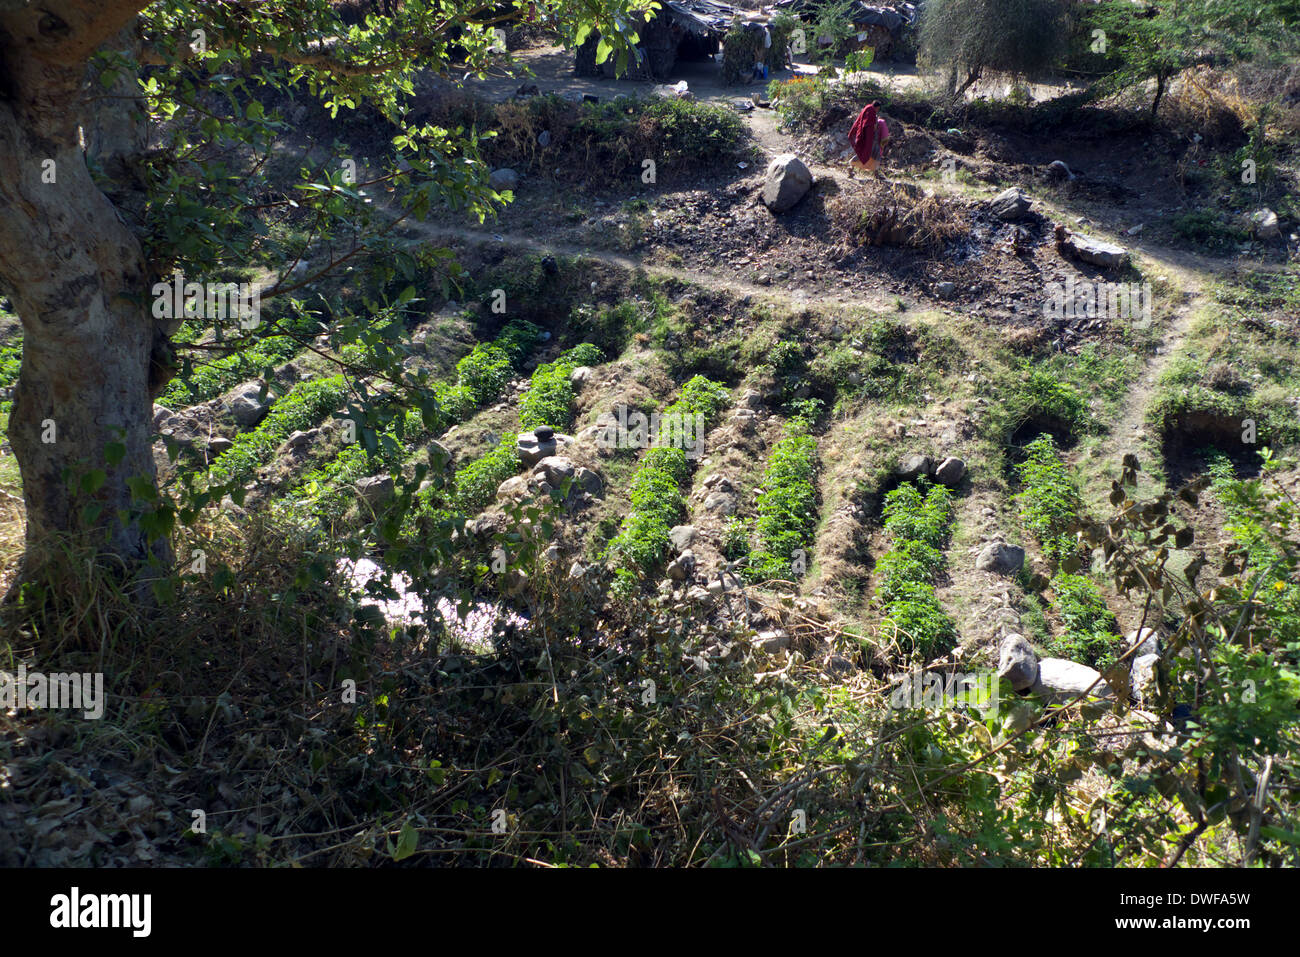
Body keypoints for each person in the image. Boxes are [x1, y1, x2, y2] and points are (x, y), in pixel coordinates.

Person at [848, 101, 891, 174]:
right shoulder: (876, 118)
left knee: (862, 154)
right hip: (872, 141)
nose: (877, 110)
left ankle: (851, 167)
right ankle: (876, 174)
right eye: (878, 109)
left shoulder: (868, 111)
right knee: (875, 157)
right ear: (877, 107)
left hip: (866, 139)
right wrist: (882, 144)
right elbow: (883, 135)